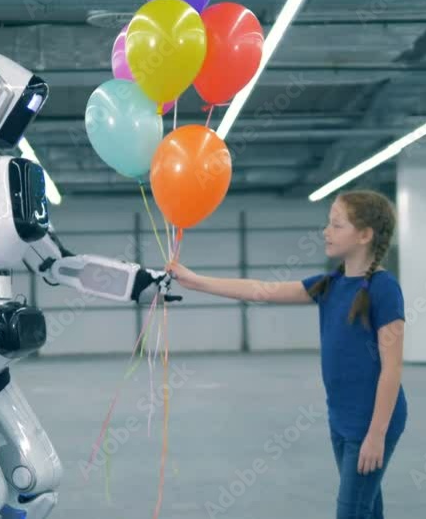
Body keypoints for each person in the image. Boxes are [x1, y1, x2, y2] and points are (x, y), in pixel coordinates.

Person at [170, 190, 407, 519]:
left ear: (365, 235)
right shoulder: (330, 284)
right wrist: (198, 282)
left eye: (337, 225)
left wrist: (376, 435)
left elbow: (392, 370)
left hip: (372, 423)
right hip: (340, 418)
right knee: (367, 509)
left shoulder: (384, 289)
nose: (326, 232)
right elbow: (260, 290)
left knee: (351, 512)